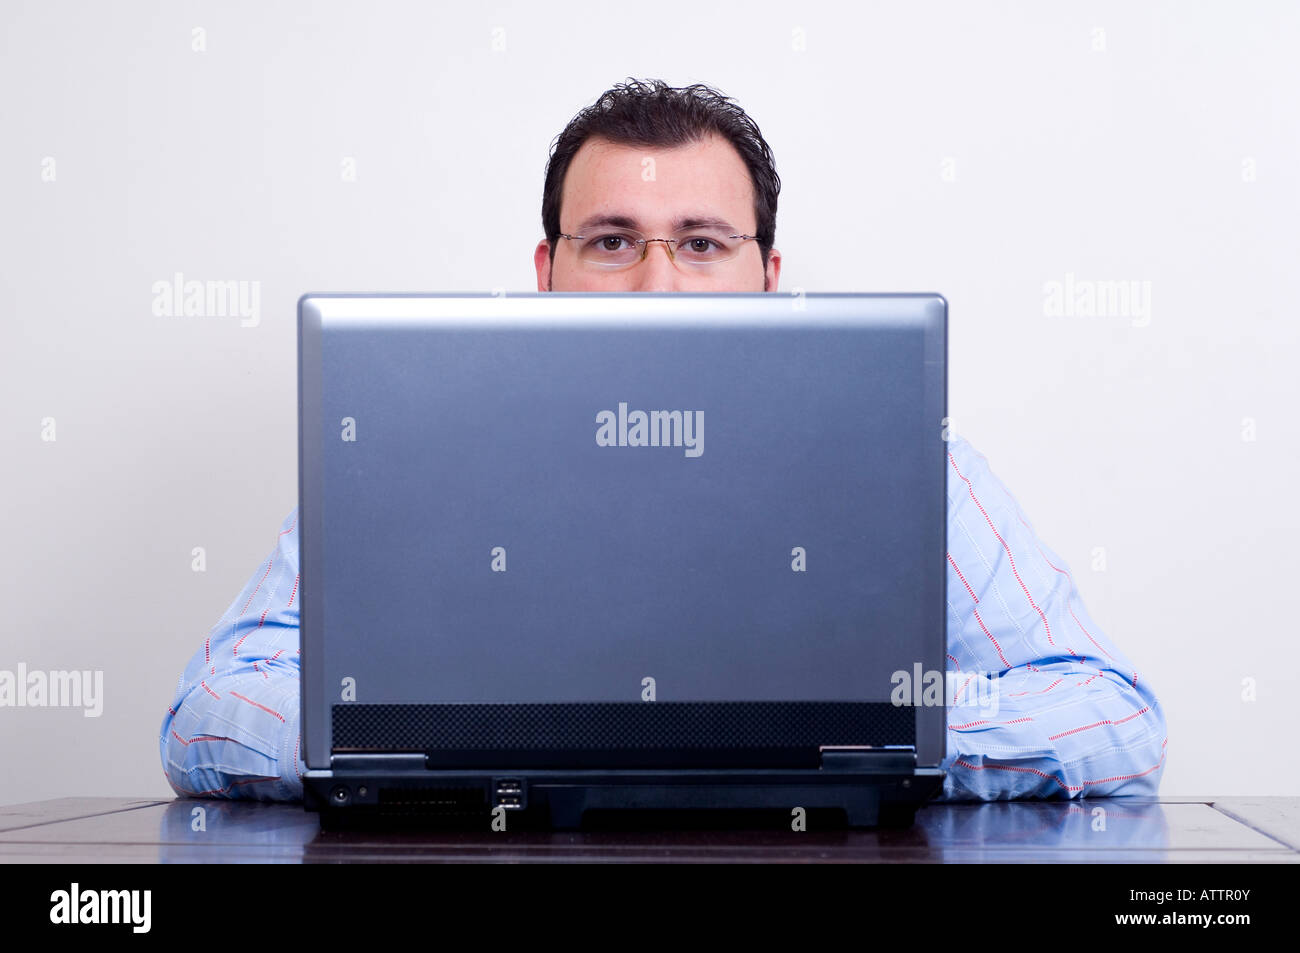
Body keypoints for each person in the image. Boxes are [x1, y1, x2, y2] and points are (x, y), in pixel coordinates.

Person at [160, 78, 1167, 803]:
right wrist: (464, 738)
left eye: (699, 242)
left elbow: (1108, 715)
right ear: (545, 270)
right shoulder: (401, 451)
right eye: (611, 241)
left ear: (769, 274)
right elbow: (208, 706)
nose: (655, 281)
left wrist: (867, 729)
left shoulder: (908, 459)